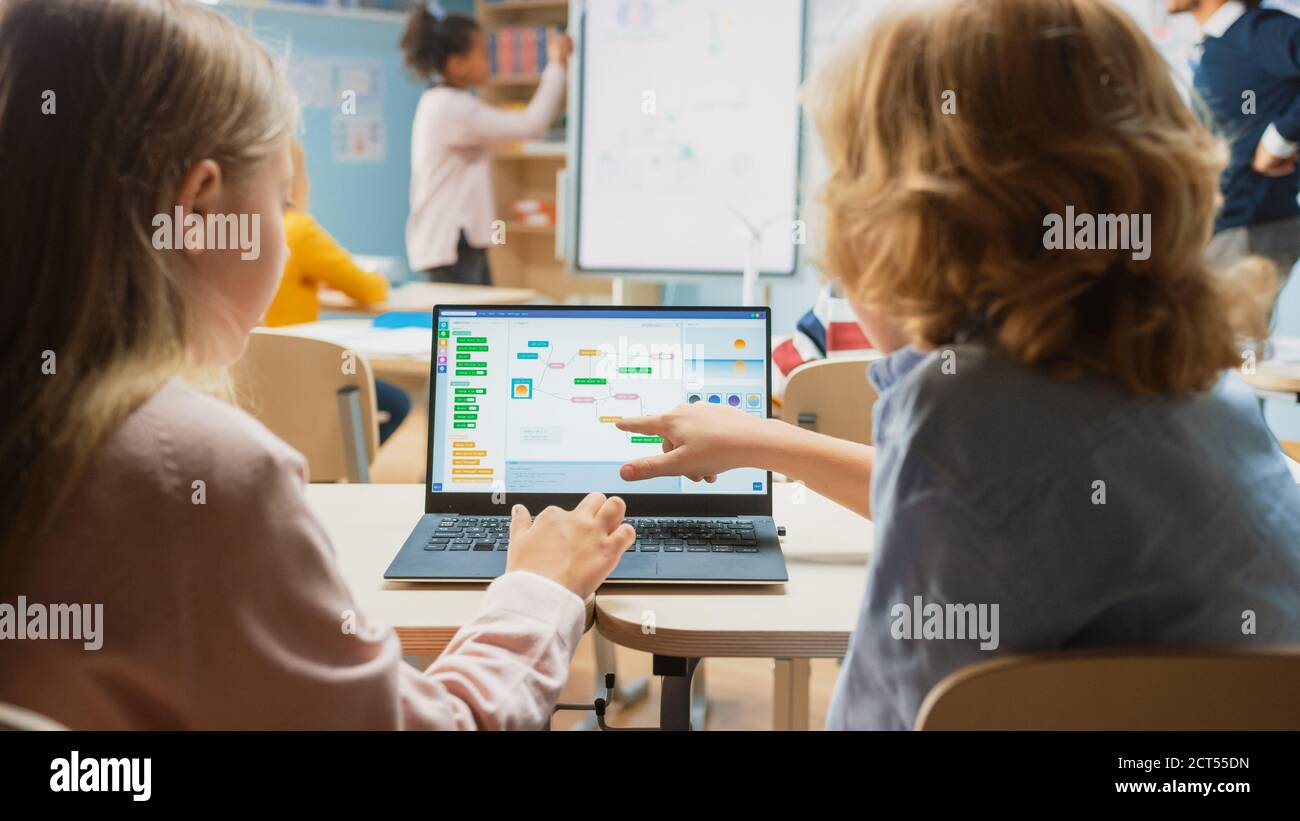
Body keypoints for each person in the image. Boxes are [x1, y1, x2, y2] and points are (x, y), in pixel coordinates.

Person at [613, 0, 1300, 730]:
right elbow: (1015, 495)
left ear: (910, 218)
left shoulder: (965, 410)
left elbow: (879, 717)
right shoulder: (1192, 372)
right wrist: (760, 439)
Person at [0, 0, 632, 730]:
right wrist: (538, 587)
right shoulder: (202, 477)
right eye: (282, 200)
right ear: (200, 208)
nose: (288, 221)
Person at [401, 3, 571, 284]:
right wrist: (556, 65)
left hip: (456, 244)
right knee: (468, 323)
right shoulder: (453, 108)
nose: (489, 62)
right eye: (482, 54)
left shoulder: (440, 102)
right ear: (457, 65)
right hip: (454, 247)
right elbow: (532, 125)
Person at [267, 140, 410, 444]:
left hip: (259, 377)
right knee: (399, 403)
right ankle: (337, 470)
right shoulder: (299, 231)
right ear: (294, 185)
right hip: (302, 370)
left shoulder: (238, 229)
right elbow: (369, 289)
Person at [1172, 0, 1300, 298]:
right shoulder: (1217, 44)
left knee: (1233, 342)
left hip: (1251, 227)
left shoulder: (1259, 31)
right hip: (1222, 225)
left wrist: (1280, 138)